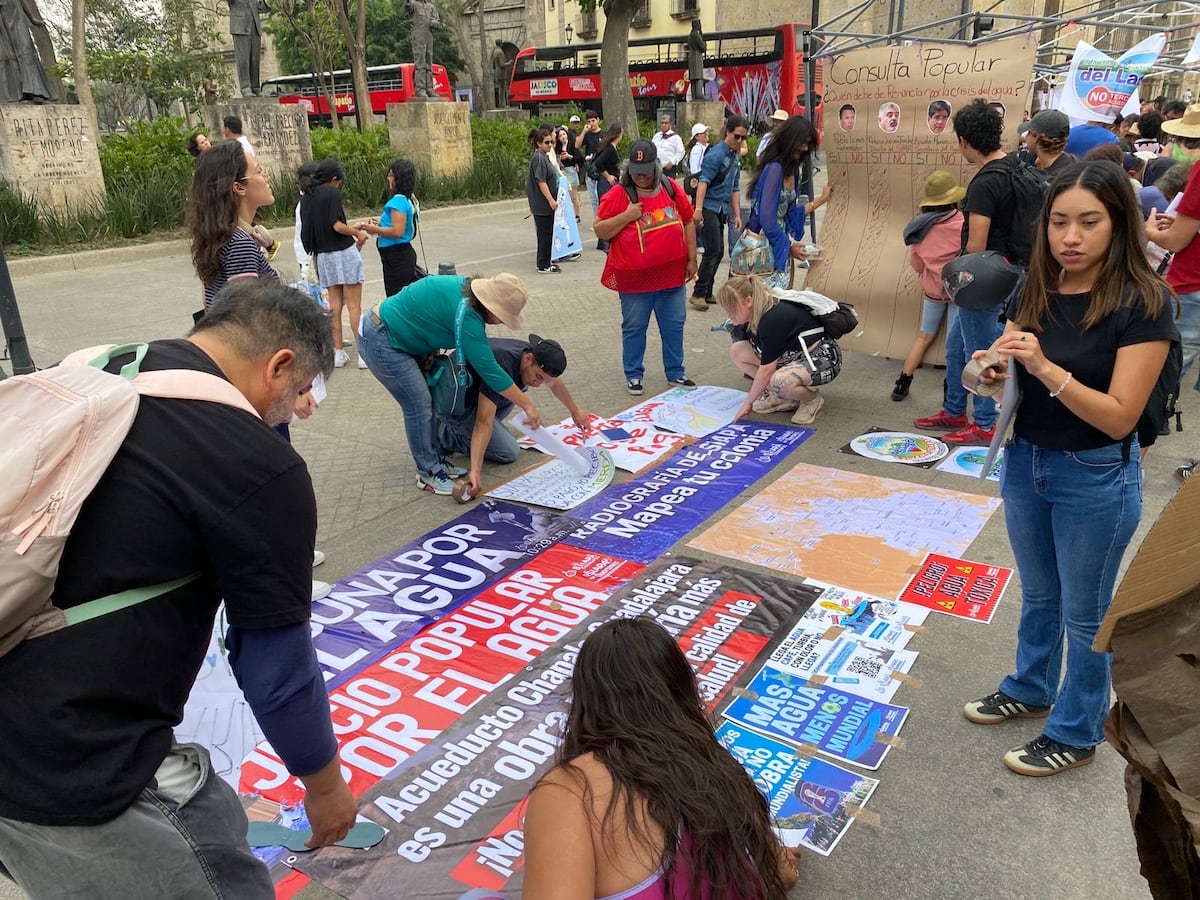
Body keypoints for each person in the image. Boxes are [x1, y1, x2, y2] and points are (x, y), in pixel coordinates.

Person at [0, 280, 356, 899]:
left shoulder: (96, 365)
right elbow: (275, 669)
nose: (305, 409)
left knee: (215, 825)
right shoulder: (257, 464)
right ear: (279, 366)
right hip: (66, 762)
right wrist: (325, 788)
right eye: (303, 391)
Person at [964, 161, 1178, 777]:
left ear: (1119, 225)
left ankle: (1077, 729)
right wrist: (990, 368)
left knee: (1085, 612)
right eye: (1059, 222)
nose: (1071, 238)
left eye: (1089, 222)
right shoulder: (1034, 284)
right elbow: (992, 375)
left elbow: (1118, 417)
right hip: (1026, 458)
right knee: (1040, 593)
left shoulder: (1144, 302)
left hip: (1096, 472)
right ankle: (1031, 687)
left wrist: (1046, 369)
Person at [521, 617, 799, 900]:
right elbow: (782, 874)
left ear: (585, 700)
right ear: (681, 688)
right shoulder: (718, 767)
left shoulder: (569, 789)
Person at [357, 273, 543, 495]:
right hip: (383, 339)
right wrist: (527, 405)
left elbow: (430, 315)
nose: (503, 321)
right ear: (490, 306)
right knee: (419, 405)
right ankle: (427, 473)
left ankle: (434, 459)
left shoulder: (466, 292)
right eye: (503, 316)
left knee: (424, 401)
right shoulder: (469, 319)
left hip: (395, 334)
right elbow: (492, 372)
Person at [914, 99, 1027, 445]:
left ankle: (983, 423)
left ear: (964, 140)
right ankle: (953, 410)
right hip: (1011, 272)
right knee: (956, 349)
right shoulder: (1018, 168)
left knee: (978, 352)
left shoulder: (984, 183)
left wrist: (954, 278)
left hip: (984, 282)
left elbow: (976, 246)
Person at [594, 140, 698, 396]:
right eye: (636, 171)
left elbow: (687, 221)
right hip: (635, 281)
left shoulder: (670, 187)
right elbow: (600, 228)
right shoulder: (619, 194)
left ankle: (676, 372)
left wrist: (692, 259)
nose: (640, 177)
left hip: (672, 276)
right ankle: (633, 374)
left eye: (646, 171)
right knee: (634, 327)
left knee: (674, 325)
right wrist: (627, 216)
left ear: (656, 168)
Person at [436, 334, 590, 498]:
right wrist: (475, 471)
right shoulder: (503, 365)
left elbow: (554, 381)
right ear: (528, 358)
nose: (538, 384)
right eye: (538, 377)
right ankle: (445, 434)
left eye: (543, 381)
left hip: (479, 391)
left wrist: (575, 411)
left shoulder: (532, 355)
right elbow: (483, 422)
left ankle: (461, 430)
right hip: (457, 402)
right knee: (508, 451)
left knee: (515, 393)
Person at [718, 274, 843, 425]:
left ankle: (812, 400)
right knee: (737, 351)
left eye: (731, 309)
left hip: (824, 356)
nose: (729, 314)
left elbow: (767, 370)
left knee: (780, 381)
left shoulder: (773, 317)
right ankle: (784, 397)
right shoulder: (749, 317)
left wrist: (748, 403)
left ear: (748, 301)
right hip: (794, 356)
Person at [891, 170, 966, 402]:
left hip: (932, 291)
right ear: (953, 198)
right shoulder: (964, 222)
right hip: (958, 291)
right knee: (954, 344)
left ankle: (902, 383)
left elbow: (916, 265)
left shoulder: (919, 229)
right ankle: (950, 390)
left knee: (923, 337)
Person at [744, 115, 831, 291]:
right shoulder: (775, 169)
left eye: (808, 145)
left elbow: (790, 213)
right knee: (765, 305)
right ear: (790, 140)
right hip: (764, 247)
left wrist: (822, 199)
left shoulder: (793, 171)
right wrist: (789, 247)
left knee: (781, 300)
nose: (805, 148)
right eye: (802, 143)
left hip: (780, 244)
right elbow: (767, 219)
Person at [300, 158, 368, 368]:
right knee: (354, 306)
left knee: (334, 307)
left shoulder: (306, 198)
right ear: (334, 179)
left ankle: (337, 353)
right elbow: (337, 226)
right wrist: (357, 232)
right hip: (344, 252)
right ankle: (363, 355)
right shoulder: (331, 193)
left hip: (324, 256)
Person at [1146, 143, 1200, 397]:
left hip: (1193, 282)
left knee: (1170, 364)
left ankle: (1141, 420)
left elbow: (1176, 241)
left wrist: (1152, 233)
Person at [690, 114, 747, 310]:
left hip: (722, 208)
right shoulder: (716, 154)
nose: (739, 141)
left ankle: (706, 291)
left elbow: (735, 188)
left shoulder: (734, 156)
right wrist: (698, 210)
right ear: (727, 133)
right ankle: (698, 292)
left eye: (742, 138)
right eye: (736, 136)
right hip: (708, 206)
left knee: (718, 251)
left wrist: (737, 214)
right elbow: (703, 182)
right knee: (713, 249)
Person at [359, 158, 420, 297]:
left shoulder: (397, 201)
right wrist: (381, 223)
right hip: (399, 255)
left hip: (397, 257)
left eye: (391, 175)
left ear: (398, 179)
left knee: (395, 299)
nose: (388, 178)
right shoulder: (407, 199)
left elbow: (397, 231)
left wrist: (373, 229)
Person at [526, 125, 562, 273]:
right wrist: (551, 200)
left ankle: (547, 261)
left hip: (544, 204)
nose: (550, 145)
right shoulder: (539, 158)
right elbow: (541, 181)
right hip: (542, 205)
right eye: (547, 142)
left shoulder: (543, 157)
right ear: (539, 143)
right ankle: (543, 264)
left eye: (551, 142)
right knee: (544, 234)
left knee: (548, 233)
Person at [590, 123, 624, 252]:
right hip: (607, 183)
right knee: (607, 211)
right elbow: (598, 163)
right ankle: (604, 241)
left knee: (607, 211)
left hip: (609, 183)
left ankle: (603, 240)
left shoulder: (609, 148)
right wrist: (608, 176)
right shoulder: (609, 149)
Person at [1024, 109, 1077, 178]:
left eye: (1028, 133)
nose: (1025, 137)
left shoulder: (1052, 179)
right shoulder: (1073, 163)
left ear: (1036, 137)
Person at [575, 111, 603, 216]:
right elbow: (577, 146)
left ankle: (602, 218)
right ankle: (597, 218)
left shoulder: (604, 134)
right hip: (590, 169)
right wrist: (583, 132)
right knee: (593, 198)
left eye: (593, 120)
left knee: (599, 196)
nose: (591, 123)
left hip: (601, 169)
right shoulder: (587, 135)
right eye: (589, 121)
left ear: (598, 120)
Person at [408, 0, 437, 99]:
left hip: (429, 35)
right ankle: (420, 90)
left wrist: (434, 23)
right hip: (418, 35)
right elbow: (408, 7)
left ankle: (429, 88)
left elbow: (438, 21)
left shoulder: (431, 6)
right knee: (420, 63)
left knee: (429, 63)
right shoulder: (413, 4)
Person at [686, 19, 705, 101]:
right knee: (698, 76)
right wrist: (701, 33)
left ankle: (695, 94)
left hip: (691, 56)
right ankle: (699, 94)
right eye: (699, 25)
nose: (700, 26)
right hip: (697, 56)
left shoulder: (690, 35)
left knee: (693, 77)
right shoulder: (696, 35)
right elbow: (703, 47)